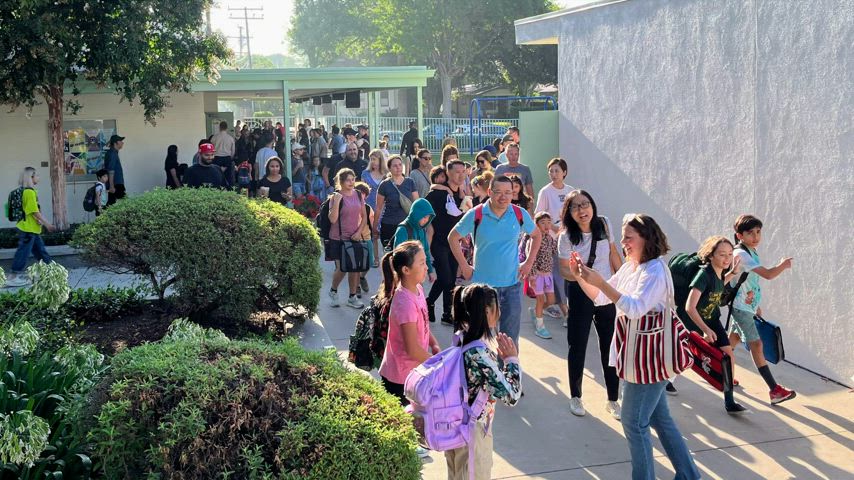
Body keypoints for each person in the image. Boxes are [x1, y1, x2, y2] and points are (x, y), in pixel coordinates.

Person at [570, 213, 700, 480]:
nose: (624, 242)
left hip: (649, 360)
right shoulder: (632, 266)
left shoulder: (654, 271)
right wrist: (581, 277)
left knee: (633, 422)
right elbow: (601, 298)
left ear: (646, 238)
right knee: (659, 419)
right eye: (623, 236)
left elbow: (634, 308)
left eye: (629, 237)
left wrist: (600, 280)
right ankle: (688, 475)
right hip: (639, 358)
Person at [450, 175, 541, 347]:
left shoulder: (518, 214)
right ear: (490, 192)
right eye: (498, 192)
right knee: (477, 337)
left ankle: (506, 372)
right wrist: (464, 265)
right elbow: (453, 237)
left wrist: (528, 262)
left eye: (508, 192)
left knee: (509, 339)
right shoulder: (476, 214)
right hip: (482, 289)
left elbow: (536, 235)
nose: (503, 196)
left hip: (512, 286)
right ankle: (478, 371)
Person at [445, 283, 522, 480]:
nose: (500, 313)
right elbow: (511, 396)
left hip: (457, 428)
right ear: (487, 311)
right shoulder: (478, 354)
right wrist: (511, 360)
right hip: (473, 433)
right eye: (497, 308)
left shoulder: (461, 339)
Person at [558, 190, 623, 418]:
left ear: (592, 206)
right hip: (580, 292)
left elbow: (614, 254)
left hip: (606, 290)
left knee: (611, 346)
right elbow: (564, 269)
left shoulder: (604, 225)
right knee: (578, 345)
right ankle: (576, 396)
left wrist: (622, 282)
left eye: (585, 204)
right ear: (569, 213)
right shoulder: (566, 237)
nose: (582, 210)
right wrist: (577, 274)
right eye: (575, 207)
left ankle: (613, 399)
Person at [727, 214, 796, 404]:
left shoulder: (751, 250)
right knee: (756, 345)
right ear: (739, 235)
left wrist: (755, 306)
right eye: (750, 233)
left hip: (745, 307)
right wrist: (783, 265)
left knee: (731, 340)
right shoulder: (740, 253)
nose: (756, 236)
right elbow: (767, 275)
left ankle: (722, 372)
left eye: (758, 232)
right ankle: (775, 390)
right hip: (741, 308)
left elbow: (749, 283)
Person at [683, 235, 749, 414]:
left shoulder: (719, 272)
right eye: (722, 255)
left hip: (712, 319)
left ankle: (730, 402)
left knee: (728, 357)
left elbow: (719, 284)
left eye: (729, 254)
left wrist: (733, 273)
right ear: (711, 255)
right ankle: (666, 382)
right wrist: (705, 329)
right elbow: (690, 307)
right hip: (697, 322)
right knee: (682, 358)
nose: (727, 258)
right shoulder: (703, 275)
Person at [377, 241, 441, 405]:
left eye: (425, 261)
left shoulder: (417, 289)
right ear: (406, 270)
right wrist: (439, 364)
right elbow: (412, 350)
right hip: (399, 379)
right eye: (421, 263)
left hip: (412, 373)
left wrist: (433, 344)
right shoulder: (404, 303)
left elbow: (424, 323)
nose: (426, 267)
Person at [424, 160, 467, 324]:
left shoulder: (461, 194)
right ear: (448, 173)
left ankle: (446, 313)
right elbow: (424, 206)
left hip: (455, 243)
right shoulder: (438, 193)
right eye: (457, 171)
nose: (461, 175)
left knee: (450, 280)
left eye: (463, 171)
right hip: (438, 242)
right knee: (445, 278)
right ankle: (429, 302)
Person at [535, 157, 575, 320]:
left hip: (569, 238)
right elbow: (538, 215)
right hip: (552, 239)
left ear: (564, 172)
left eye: (557, 170)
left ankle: (564, 306)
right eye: (551, 171)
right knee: (557, 275)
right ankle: (566, 312)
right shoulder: (545, 191)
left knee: (570, 273)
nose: (553, 174)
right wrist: (552, 227)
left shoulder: (570, 190)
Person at [5, 167, 55, 288]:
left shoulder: (26, 192)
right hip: (28, 229)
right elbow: (34, 212)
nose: (38, 177)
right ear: (31, 177)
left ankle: (52, 272)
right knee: (23, 253)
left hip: (31, 228)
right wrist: (47, 224)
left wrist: (38, 221)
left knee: (40, 251)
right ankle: (13, 277)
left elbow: (30, 211)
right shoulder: (29, 192)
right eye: (36, 175)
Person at [327, 168, 368, 309]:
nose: (351, 182)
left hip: (354, 237)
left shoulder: (358, 194)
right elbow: (332, 219)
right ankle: (333, 291)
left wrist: (359, 232)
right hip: (338, 238)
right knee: (342, 268)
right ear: (341, 182)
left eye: (353, 179)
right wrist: (337, 201)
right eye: (348, 180)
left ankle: (352, 297)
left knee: (355, 268)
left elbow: (364, 216)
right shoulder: (336, 197)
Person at [374, 155, 418, 249]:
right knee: (390, 255)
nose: (398, 168)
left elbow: (416, 203)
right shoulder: (384, 185)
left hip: (407, 225)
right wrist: (375, 227)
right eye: (395, 166)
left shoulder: (410, 182)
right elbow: (378, 207)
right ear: (389, 168)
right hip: (389, 225)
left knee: (406, 256)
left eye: (400, 165)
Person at [526, 212, 557, 340]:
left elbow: (555, 251)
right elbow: (530, 259)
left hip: (548, 274)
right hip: (537, 275)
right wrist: (531, 276)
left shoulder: (550, 238)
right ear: (537, 225)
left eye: (549, 222)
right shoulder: (533, 239)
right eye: (543, 222)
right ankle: (540, 326)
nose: (546, 225)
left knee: (551, 300)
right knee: (540, 300)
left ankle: (535, 311)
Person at [393, 198, 436, 285]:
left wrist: (430, 270)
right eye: (424, 217)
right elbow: (397, 257)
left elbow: (426, 251)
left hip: (417, 274)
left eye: (428, 218)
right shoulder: (402, 229)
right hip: (405, 276)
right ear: (416, 214)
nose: (426, 220)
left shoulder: (421, 229)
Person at [361, 150, 387, 266]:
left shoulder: (386, 174)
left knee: (384, 233)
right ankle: (375, 258)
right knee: (373, 233)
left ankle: (386, 258)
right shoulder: (365, 174)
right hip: (369, 205)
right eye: (371, 159)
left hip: (384, 207)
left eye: (375, 159)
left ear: (380, 160)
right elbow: (361, 191)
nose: (373, 162)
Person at [211, 121, 236, 188]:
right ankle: (228, 190)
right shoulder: (230, 138)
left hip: (216, 158)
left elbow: (211, 149)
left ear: (219, 127)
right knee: (228, 177)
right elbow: (233, 151)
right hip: (227, 158)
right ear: (226, 128)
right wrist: (230, 158)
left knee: (216, 175)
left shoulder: (214, 137)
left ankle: (217, 189)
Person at [105, 134, 126, 205]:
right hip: (116, 184)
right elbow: (111, 170)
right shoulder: (112, 153)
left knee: (111, 204)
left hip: (115, 183)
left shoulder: (113, 153)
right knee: (125, 203)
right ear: (115, 143)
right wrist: (111, 186)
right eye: (120, 141)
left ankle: (102, 215)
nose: (122, 142)